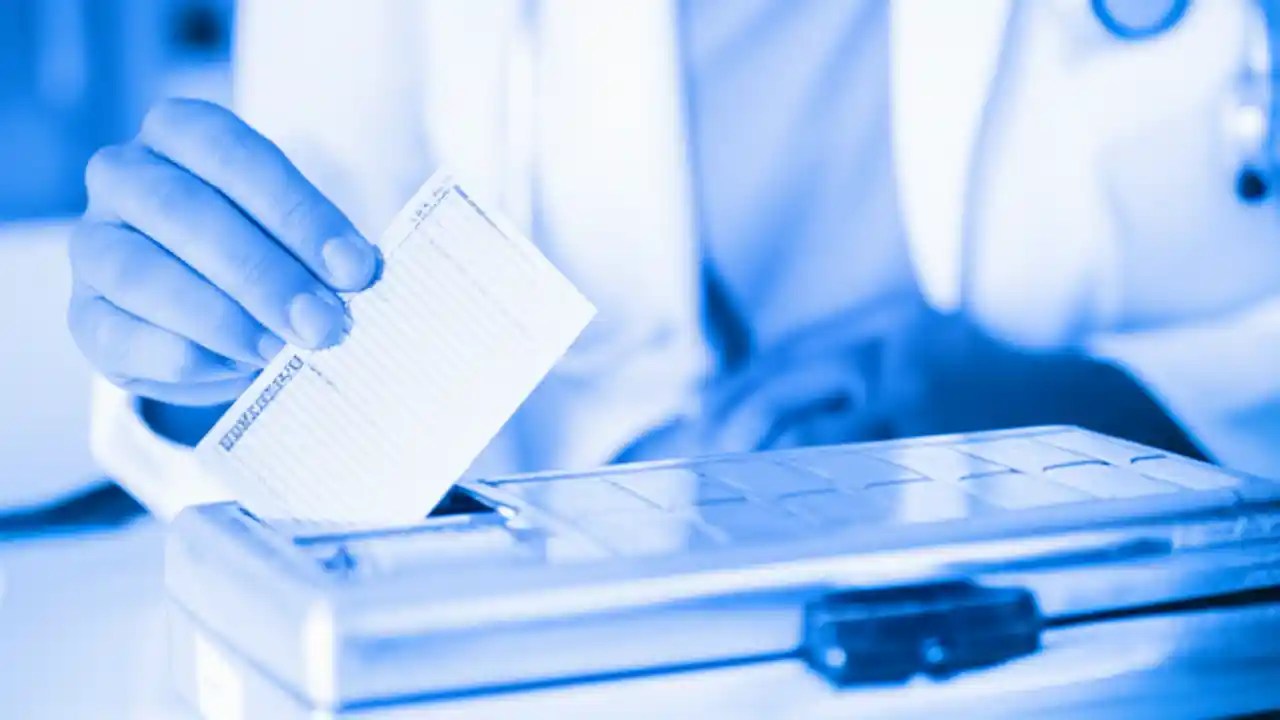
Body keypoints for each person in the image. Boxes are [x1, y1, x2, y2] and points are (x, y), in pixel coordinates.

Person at [68, 0, 1280, 520]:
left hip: (1143, 614)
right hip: (616, 642)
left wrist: (1097, 413)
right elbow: (320, 308)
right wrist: (216, 364)